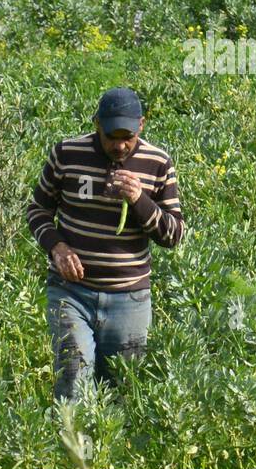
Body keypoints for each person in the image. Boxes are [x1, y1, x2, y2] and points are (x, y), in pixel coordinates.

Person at [27, 87, 185, 401]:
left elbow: (173, 234)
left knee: (122, 392)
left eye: (127, 136)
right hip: (71, 291)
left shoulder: (158, 163)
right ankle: (71, 447)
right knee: (73, 377)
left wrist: (139, 200)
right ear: (97, 123)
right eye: (111, 136)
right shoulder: (67, 154)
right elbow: (37, 210)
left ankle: (108, 450)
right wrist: (57, 247)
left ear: (141, 125)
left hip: (129, 299)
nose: (119, 145)